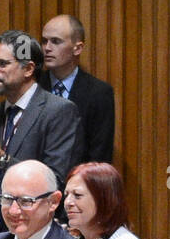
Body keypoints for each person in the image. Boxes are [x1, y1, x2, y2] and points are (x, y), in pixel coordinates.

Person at [0, 30, 80, 236]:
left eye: (2, 64)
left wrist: (1, 159)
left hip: (41, 236)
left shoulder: (58, 111)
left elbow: (54, 181)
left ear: (28, 68)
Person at [38, 15, 115, 164]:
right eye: (44, 41)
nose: (47, 48)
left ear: (77, 48)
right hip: (35, 181)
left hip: (77, 182)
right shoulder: (32, 87)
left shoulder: (98, 93)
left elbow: (100, 155)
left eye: (55, 41)